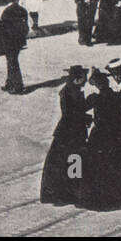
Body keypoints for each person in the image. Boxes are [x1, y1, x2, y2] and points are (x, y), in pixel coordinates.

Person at [82, 68, 121, 209]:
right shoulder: (120, 95)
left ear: (96, 86)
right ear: (108, 83)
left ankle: (101, 194)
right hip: (118, 136)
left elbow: (77, 109)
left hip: (100, 137)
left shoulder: (94, 99)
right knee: (117, 163)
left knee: (98, 164)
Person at [40, 66, 92, 205]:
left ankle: (66, 191)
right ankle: (69, 192)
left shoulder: (70, 90)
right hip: (71, 132)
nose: (85, 82)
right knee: (73, 160)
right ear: (77, 78)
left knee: (65, 161)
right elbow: (72, 113)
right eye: (83, 79)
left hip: (68, 131)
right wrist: (85, 117)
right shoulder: (70, 93)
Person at [0, 0, 29, 94]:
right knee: (12, 62)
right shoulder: (22, 10)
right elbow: (26, 27)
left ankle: (17, 86)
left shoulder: (7, 11)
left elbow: (2, 28)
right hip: (19, 41)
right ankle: (10, 84)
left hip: (9, 42)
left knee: (12, 63)